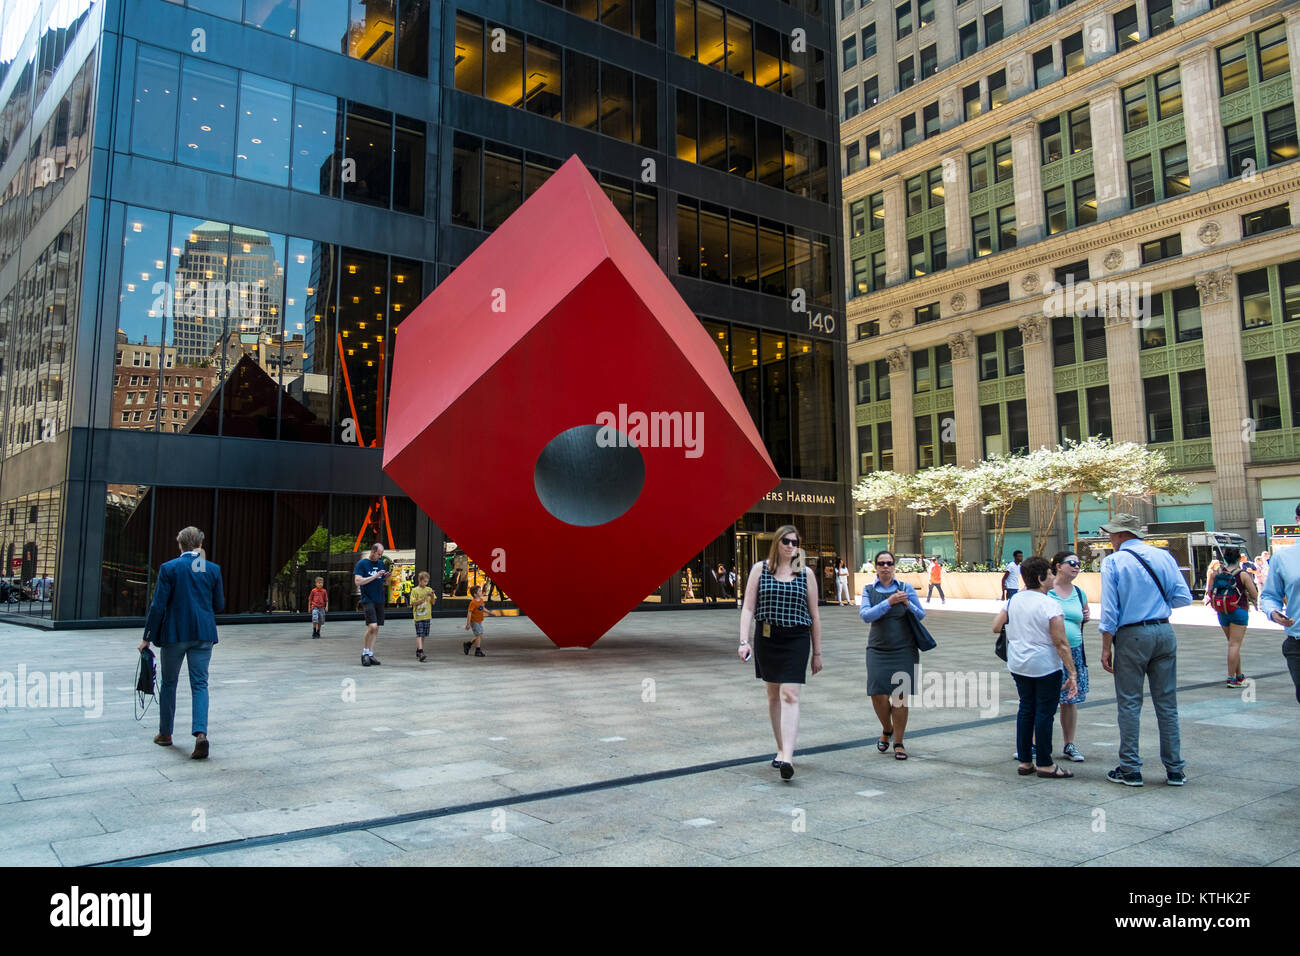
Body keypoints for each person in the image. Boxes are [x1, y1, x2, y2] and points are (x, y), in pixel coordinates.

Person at [1098, 514, 1193, 787]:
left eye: (1111, 534)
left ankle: (1130, 768)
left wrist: (1106, 646)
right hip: (1164, 631)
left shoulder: (1114, 562)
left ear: (1120, 535)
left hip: (1132, 635)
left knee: (1129, 703)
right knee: (1167, 703)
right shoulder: (1163, 556)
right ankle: (1175, 769)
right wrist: (1155, 607)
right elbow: (1183, 597)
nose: (1110, 539)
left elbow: (1109, 610)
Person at [739, 524, 822, 780]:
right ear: (776, 543)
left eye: (795, 543)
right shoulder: (760, 569)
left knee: (790, 693)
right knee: (773, 694)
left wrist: (817, 652)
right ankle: (779, 748)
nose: (790, 546)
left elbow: (815, 615)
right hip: (767, 637)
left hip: (796, 637)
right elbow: (748, 608)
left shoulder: (805, 573)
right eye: (786, 541)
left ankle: (788, 757)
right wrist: (744, 641)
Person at [140, 526, 224, 760]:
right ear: (200, 544)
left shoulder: (169, 568)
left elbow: (157, 606)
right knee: (200, 684)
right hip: (203, 634)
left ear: (180, 545)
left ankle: (165, 734)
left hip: (174, 634)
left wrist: (147, 637)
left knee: (169, 683)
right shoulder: (213, 569)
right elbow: (219, 604)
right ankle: (200, 734)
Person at [991, 556, 1077, 778]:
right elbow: (1060, 642)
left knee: (1026, 708)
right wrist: (1072, 672)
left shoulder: (1014, 600)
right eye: (1049, 574)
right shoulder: (1050, 603)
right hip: (1045, 665)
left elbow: (996, 626)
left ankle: (1025, 761)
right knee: (1044, 712)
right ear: (1040, 578)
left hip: (1018, 663)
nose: (1052, 577)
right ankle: (1046, 763)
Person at [859, 549, 924, 760]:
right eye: (881, 563)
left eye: (889, 563)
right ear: (876, 567)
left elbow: (921, 614)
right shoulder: (869, 589)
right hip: (878, 649)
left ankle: (898, 741)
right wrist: (889, 602)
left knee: (900, 697)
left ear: (893, 566)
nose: (885, 567)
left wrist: (907, 603)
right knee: (877, 692)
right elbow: (866, 616)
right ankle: (887, 728)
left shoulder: (905, 588)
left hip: (904, 649)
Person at [1048, 551, 1090, 761]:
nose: (1076, 566)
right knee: (1044, 699)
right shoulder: (1046, 590)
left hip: (1073, 650)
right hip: (1050, 651)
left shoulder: (1079, 593)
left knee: (1070, 700)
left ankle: (1069, 744)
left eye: (1078, 563)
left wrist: (1086, 617)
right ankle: (1037, 745)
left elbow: (1083, 616)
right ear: (1057, 566)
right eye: (1071, 563)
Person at [1260, 506, 1300, 704]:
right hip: (1297, 642)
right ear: (1297, 520)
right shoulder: (1283, 558)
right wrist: (1273, 611)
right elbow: (1269, 595)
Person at [1209, 547, 1258, 687]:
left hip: (1222, 611)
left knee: (1233, 644)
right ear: (1238, 559)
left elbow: (1210, 591)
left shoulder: (1216, 572)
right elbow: (1254, 595)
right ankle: (1231, 678)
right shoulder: (1242, 574)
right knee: (1234, 645)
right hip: (1238, 611)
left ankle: (1239, 675)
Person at [354, 543, 389, 666]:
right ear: (372, 552)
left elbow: (385, 583)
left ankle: (370, 653)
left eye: (381, 554)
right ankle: (364, 652)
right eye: (379, 554)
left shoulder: (381, 564)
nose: (380, 557)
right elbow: (358, 581)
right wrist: (375, 576)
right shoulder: (362, 564)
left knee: (377, 627)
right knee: (372, 626)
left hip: (379, 599)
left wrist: (387, 577)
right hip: (368, 599)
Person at [411, 571, 434, 662]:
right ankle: (420, 651)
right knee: (419, 634)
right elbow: (413, 603)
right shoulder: (415, 590)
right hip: (418, 616)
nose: (426, 583)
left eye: (427, 581)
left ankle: (418, 649)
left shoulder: (429, 589)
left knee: (424, 634)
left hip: (427, 615)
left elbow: (433, 602)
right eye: (424, 581)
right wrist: (424, 597)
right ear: (420, 580)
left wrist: (431, 596)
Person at [464, 584, 488, 657]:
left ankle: (468, 644)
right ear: (475, 594)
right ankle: (478, 651)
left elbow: (482, 608)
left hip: (479, 621)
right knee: (478, 635)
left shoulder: (481, 600)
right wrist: (468, 623)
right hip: (474, 621)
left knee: (479, 636)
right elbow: (469, 613)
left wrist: (490, 612)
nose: (481, 592)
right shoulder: (473, 603)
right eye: (480, 591)